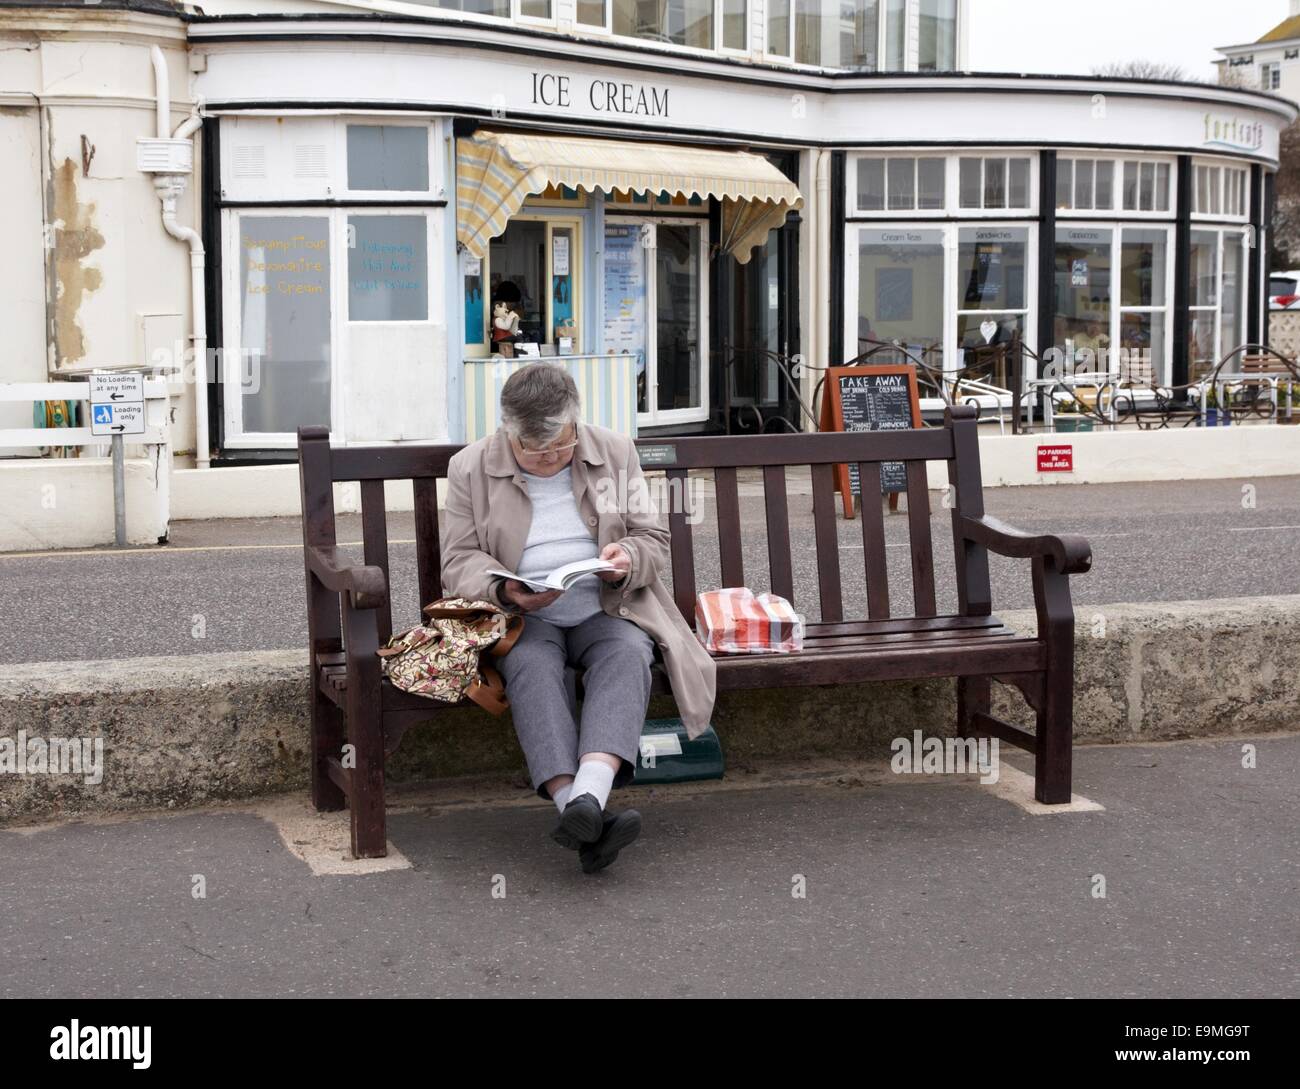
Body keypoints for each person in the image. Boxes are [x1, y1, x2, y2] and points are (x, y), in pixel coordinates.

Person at [440, 363, 716, 874]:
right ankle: (586, 813)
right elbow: (458, 561)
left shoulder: (614, 452)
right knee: (532, 669)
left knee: (629, 654)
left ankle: (583, 801)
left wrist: (627, 560)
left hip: (607, 605)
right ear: (508, 431)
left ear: (577, 424)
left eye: (560, 446)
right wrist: (505, 589)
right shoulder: (470, 468)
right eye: (532, 449)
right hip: (524, 619)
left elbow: (653, 540)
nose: (548, 458)